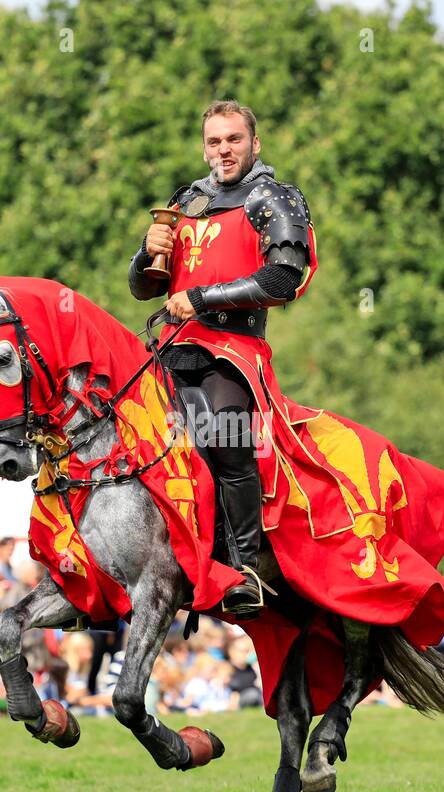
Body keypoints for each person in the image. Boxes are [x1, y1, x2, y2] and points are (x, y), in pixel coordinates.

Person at [128, 99, 317, 616]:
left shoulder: (275, 197)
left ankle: (246, 569)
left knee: (222, 432)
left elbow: (283, 277)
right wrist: (148, 253)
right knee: (115, 433)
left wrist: (202, 298)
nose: (224, 150)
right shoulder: (187, 200)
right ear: (204, 147)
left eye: (234, 139)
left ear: (254, 143)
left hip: (232, 351)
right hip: (172, 348)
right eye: (214, 141)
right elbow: (144, 288)